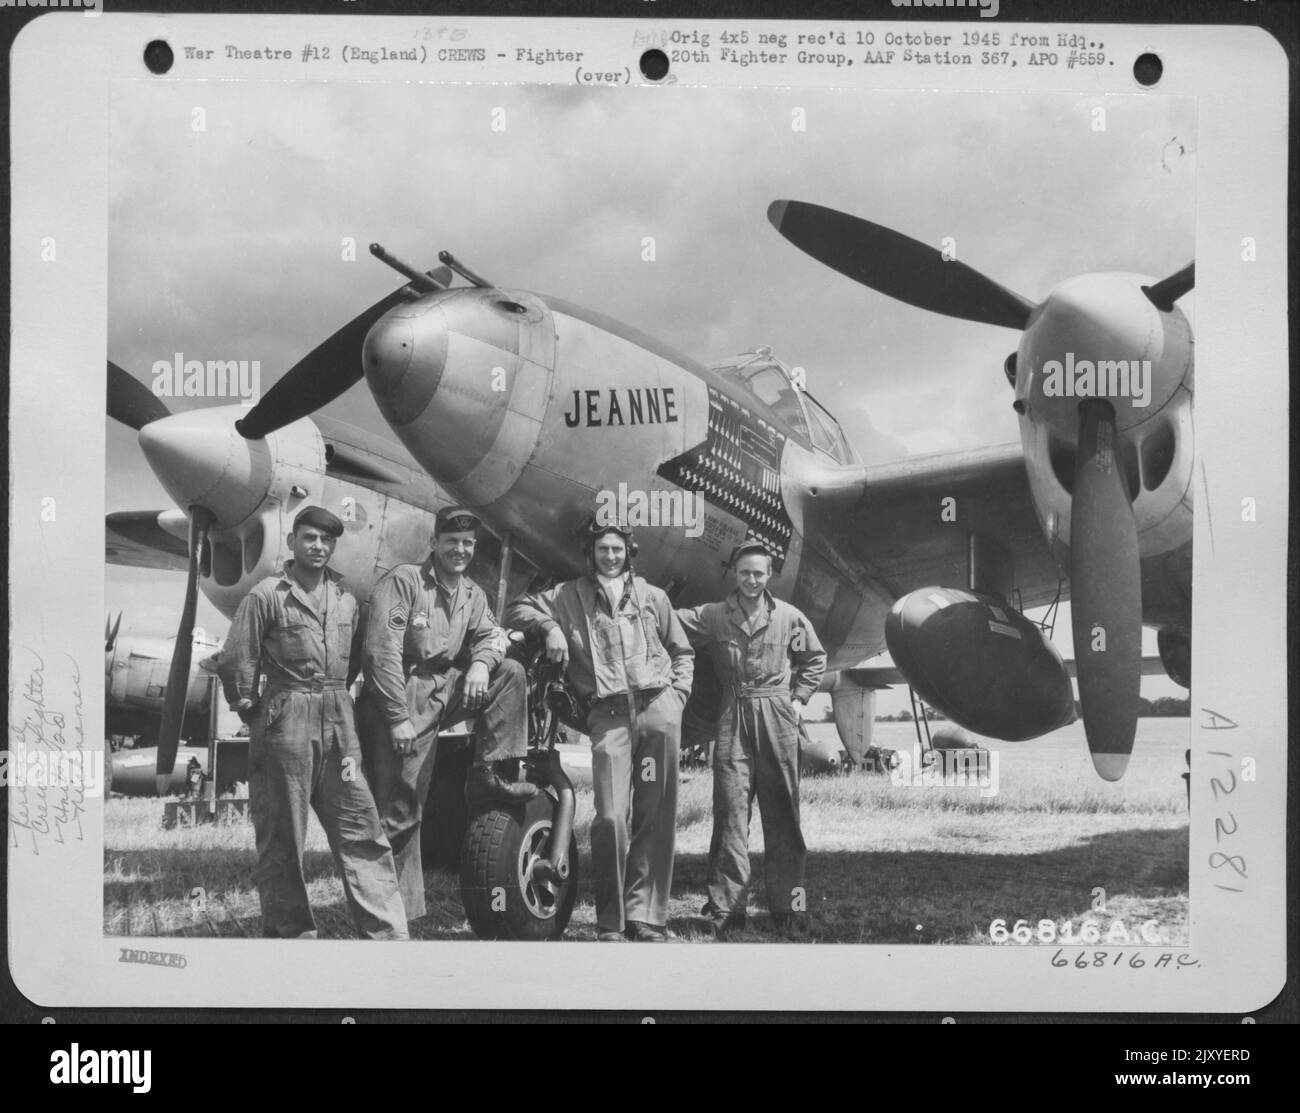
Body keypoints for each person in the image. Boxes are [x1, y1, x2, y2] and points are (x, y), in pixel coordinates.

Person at [218, 506, 408, 940]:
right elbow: (236, 657)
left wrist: (337, 698)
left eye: (326, 540)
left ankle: (387, 935)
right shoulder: (266, 595)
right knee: (284, 835)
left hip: (340, 720)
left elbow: (359, 654)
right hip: (286, 722)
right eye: (309, 538)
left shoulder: (345, 599)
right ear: (292, 542)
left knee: (362, 826)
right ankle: (292, 936)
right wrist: (251, 707)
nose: (318, 547)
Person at [506, 519, 693, 942]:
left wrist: (677, 698)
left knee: (656, 814)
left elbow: (682, 651)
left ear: (630, 552)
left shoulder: (653, 596)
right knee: (610, 817)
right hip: (607, 718)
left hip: (656, 710)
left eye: (618, 549)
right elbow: (516, 608)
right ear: (591, 554)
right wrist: (550, 627)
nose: (612, 556)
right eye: (603, 549)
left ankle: (646, 917)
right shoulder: (568, 596)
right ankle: (612, 921)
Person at [357, 505, 535, 923]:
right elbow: (380, 652)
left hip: (445, 688)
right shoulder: (404, 582)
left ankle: (492, 772)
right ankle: (391, 913)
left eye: (468, 543)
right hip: (399, 696)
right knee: (400, 809)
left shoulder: (472, 594)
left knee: (508, 672)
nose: (460, 550)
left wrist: (479, 663)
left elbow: (492, 635)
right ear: (434, 543)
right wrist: (398, 717)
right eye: (451, 542)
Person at [676, 541, 826, 936]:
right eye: (745, 572)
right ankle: (727, 909)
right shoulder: (713, 617)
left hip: (777, 715)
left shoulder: (789, 618)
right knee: (730, 813)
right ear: (734, 573)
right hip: (733, 713)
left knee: (783, 816)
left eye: (759, 573)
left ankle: (787, 908)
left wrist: (797, 701)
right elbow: (667, 622)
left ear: (769, 575)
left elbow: (814, 659)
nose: (752, 579)